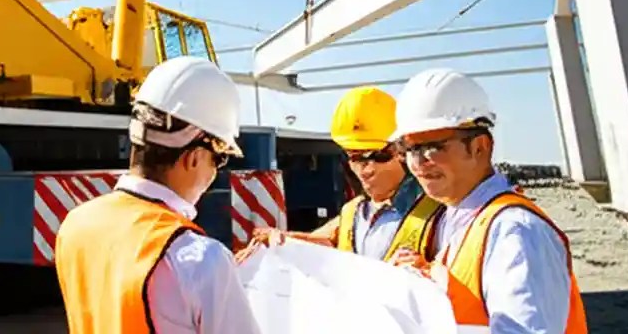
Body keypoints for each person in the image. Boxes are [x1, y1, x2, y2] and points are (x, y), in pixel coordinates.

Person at [54, 56, 251, 333]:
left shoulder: (75, 225)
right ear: (194, 158)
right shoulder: (201, 260)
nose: (214, 173)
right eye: (218, 160)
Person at [389, 67, 588, 333]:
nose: (418, 162)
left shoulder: (514, 232)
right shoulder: (456, 218)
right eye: (410, 149)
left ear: (480, 147)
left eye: (432, 147)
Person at [236, 86, 442, 263]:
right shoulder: (353, 212)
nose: (366, 169)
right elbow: (329, 242)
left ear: (401, 152)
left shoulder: (439, 211)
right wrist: (279, 240)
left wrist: (427, 270)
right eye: (355, 157)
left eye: (378, 156)